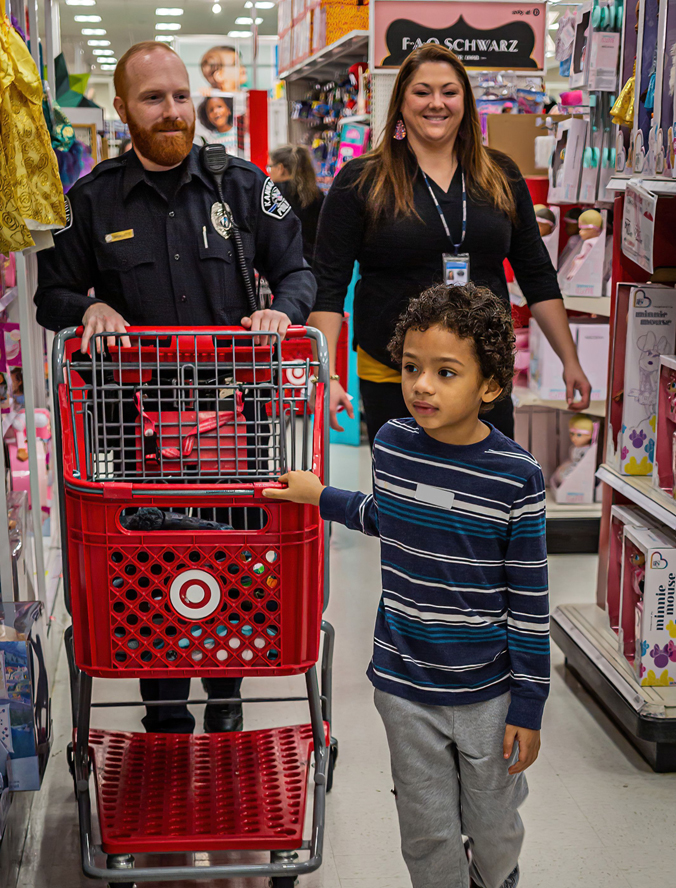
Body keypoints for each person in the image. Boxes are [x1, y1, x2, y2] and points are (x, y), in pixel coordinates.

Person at [266, 282, 548, 888]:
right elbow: (388, 516)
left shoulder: (516, 477)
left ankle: (488, 882)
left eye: (446, 372)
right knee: (426, 828)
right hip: (404, 680)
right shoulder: (391, 444)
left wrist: (529, 705)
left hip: (487, 688)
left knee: (492, 825)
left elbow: (530, 600)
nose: (422, 385)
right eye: (413, 367)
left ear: (490, 386)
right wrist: (320, 495)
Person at [35, 40, 316, 735]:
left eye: (181, 96)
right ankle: (162, 712)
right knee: (148, 567)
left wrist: (282, 311)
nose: (172, 111)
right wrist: (89, 309)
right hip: (134, 432)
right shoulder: (91, 200)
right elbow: (50, 296)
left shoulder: (243, 186)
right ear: (123, 108)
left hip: (235, 426)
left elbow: (298, 271)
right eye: (153, 98)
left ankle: (227, 699)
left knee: (233, 560)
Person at [310, 43, 591, 447]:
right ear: (401, 102)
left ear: (465, 102)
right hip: (397, 375)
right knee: (406, 483)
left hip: (483, 376)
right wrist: (327, 377)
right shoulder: (362, 179)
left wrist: (570, 360)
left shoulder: (500, 175)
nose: (436, 103)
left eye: (449, 92)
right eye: (422, 92)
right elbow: (328, 285)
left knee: (490, 481)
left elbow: (537, 274)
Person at [268, 145, 324, 264]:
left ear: (280, 168)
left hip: (282, 263)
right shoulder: (317, 195)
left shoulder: (274, 194)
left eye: (270, 166)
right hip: (312, 263)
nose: (269, 171)